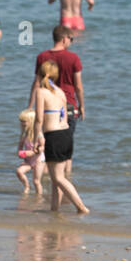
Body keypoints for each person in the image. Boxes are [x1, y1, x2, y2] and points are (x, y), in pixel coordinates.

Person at [34, 60, 88, 213]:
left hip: (54, 136)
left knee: (58, 178)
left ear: (40, 74)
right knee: (55, 178)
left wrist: (38, 138)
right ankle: (54, 210)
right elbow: (64, 117)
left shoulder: (41, 92)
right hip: (66, 134)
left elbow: (38, 119)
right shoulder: (60, 92)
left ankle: (81, 207)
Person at [32, 26, 84, 169]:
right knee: (66, 146)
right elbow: (78, 86)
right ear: (64, 39)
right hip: (67, 105)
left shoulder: (42, 57)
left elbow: (36, 83)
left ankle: (51, 181)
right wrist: (82, 106)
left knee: (47, 146)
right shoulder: (73, 58)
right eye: (71, 39)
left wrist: (31, 106)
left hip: (46, 106)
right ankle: (66, 178)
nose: (71, 42)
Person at [16, 109, 45, 195]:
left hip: (39, 160)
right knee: (19, 171)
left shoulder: (38, 134)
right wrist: (20, 153)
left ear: (31, 122)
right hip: (28, 160)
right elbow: (20, 146)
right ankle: (27, 186)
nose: (22, 123)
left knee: (36, 181)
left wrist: (33, 152)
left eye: (24, 121)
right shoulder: (24, 134)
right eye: (21, 121)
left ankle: (39, 196)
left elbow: (43, 146)